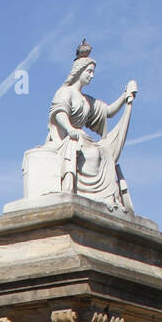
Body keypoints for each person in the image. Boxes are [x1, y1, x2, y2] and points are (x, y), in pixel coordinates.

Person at [46, 41, 138, 212]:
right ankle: (99, 196)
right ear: (79, 71)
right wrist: (70, 130)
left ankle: (107, 197)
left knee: (105, 153)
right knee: (95, 153)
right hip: (66, 140)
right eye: (89, 71)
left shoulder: (86, 100)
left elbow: (108, 111)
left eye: (92, 72)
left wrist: (125, 96)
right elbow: (59, 113)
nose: (91, 75)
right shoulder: (65, 92)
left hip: (82, 139)